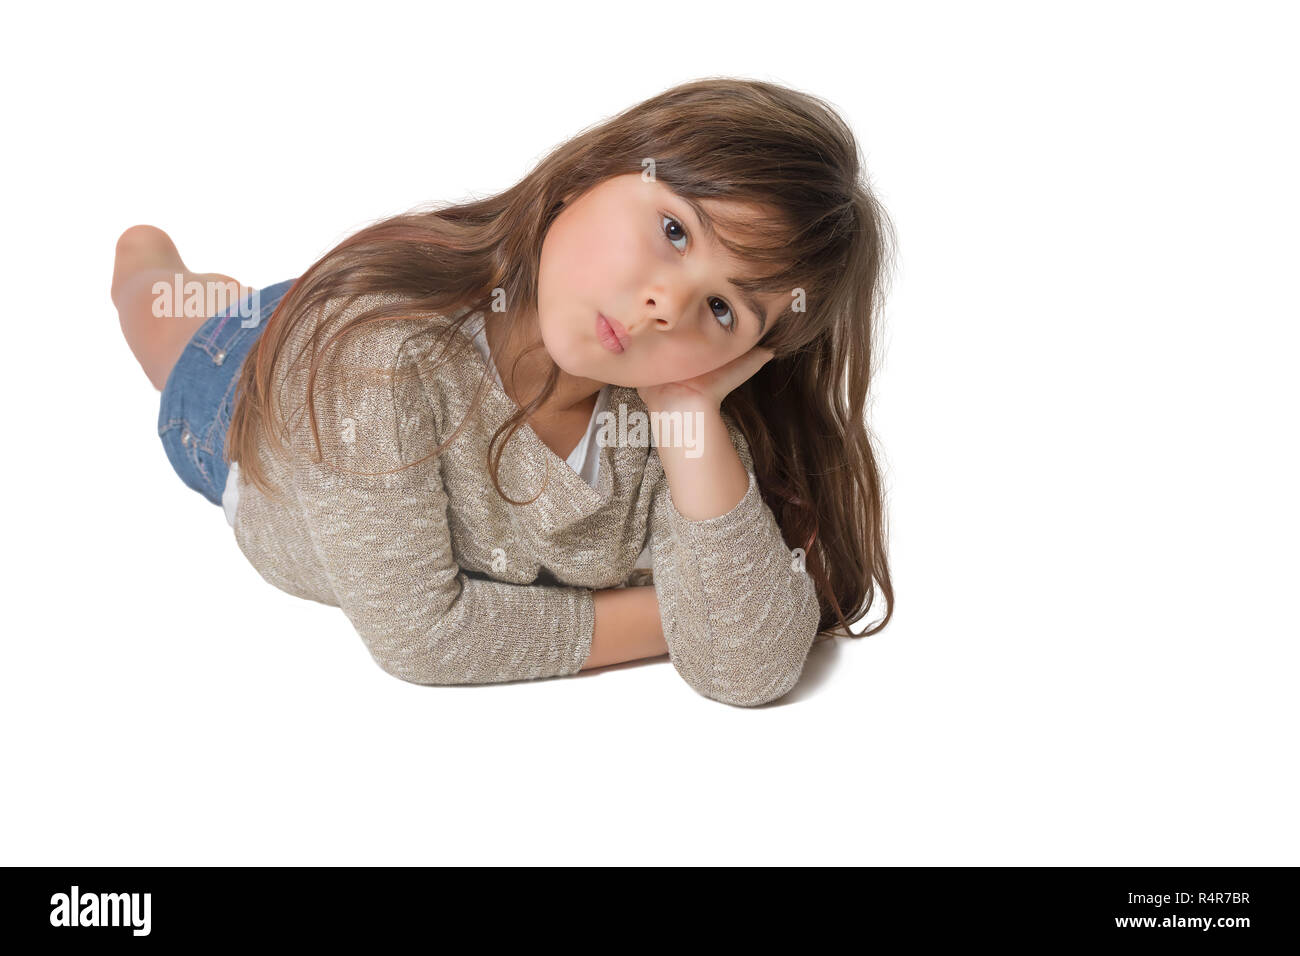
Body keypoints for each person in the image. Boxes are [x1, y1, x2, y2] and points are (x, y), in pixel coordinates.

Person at [111, 77, 895, 706]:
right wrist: (674, 619)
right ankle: (155, 261)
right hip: (250, 403)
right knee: (169, 312)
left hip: (347, 331)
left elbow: (746, 667)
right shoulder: (374, 358)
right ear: (591, 175)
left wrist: (686, 415)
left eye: (723, 310)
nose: (667, 305)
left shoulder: (677, 418)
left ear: (749, 353)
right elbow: (425, 638)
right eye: (676, 231)